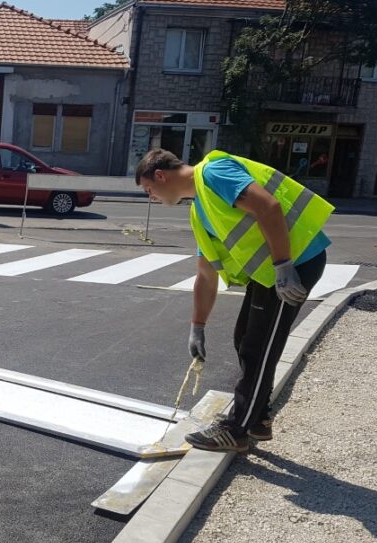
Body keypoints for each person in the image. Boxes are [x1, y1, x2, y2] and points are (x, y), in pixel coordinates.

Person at [135, 148, 334, 453]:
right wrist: (197, 326)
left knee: (260, 346)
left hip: (296, 262)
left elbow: (268, 206)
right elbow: (206, 274)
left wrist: (284, 265)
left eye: (149, 189)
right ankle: (258, 418)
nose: (151, 197)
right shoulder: (199, 210)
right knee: (244, 338)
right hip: (271, 271)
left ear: (160, 176)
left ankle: (237, 429)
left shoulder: (214, 173)